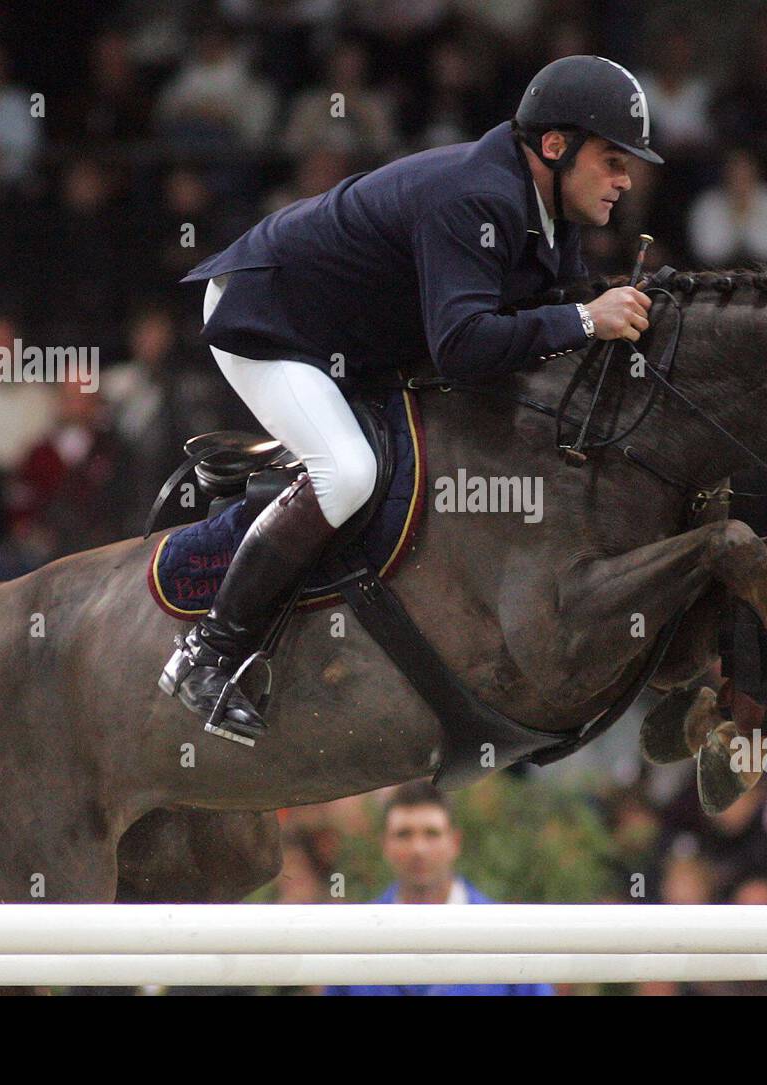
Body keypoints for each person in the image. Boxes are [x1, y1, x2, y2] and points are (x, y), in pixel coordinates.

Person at [161, 55, 665, 739]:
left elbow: (552, 315)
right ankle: (207, 654)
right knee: (348, 471)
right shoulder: (475, 196)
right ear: (556, 145)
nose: (625, 179)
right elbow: (464, 345)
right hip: (270, 317)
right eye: (612, 159)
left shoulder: (548, 210)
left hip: (358, 333)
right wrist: (585, 318)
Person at [323, 781, 553, 997]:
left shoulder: (506, 936)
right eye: (404, 834)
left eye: (431, 833)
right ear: (384, 844)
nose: (418, 848)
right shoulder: (357, 939)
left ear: (455, 842)